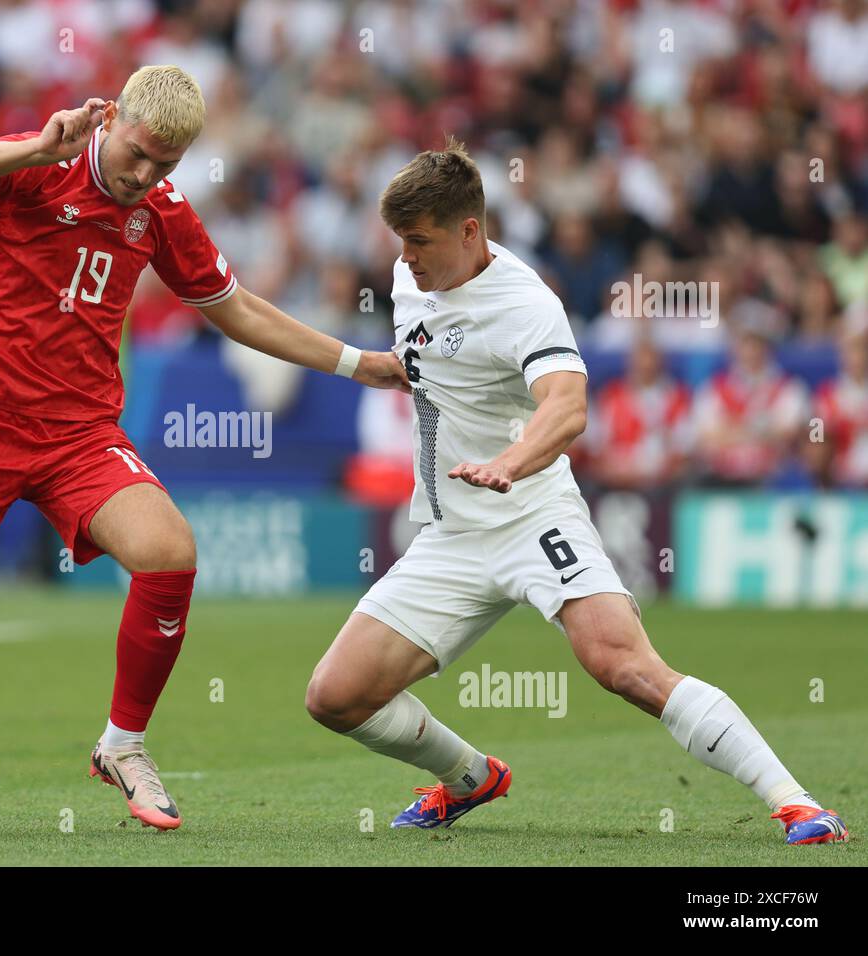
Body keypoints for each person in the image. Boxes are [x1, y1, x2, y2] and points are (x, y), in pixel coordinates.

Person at [0, 65, 408, 834]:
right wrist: (28, 153)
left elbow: (239, 309)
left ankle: (123, 746)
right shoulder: (39, 163)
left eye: (167, 165)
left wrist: (360, 364)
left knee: (169, 551)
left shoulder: (159, 209)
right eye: (140, 153)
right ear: (111, 117)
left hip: (78, 434)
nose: (146, 174)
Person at [304, 139, 848, 846]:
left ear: (470, 231)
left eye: (419, 241)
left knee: (621, 666)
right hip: (452, 534)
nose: (405, 257)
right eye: (400, 241)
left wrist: (514, 460)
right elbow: (423, 366)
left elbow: (567, 407)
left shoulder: (527, 302)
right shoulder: (415, 281)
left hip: (530, 511)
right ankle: (472, 777)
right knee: (334, 697)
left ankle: (794, 802)